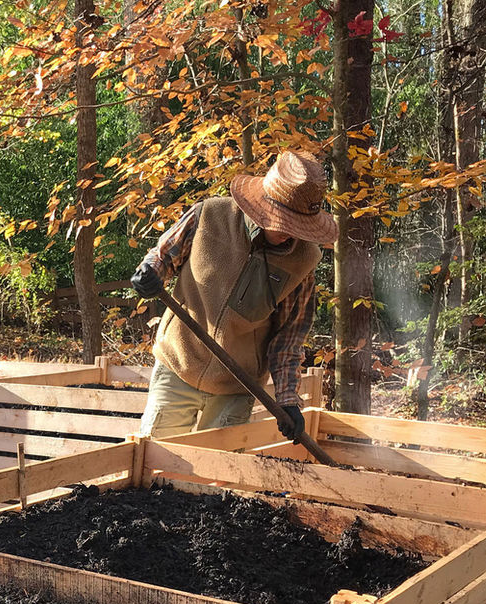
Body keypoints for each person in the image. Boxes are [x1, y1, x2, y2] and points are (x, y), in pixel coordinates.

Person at [131, 149, 337, 441]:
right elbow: (162, 257)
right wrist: (149, 274)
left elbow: (288, 338)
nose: (290, 234)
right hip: (178, 364)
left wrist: (288, 400)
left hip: (237, 385)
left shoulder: (303, 261)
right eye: (283, 223)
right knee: (156, 460)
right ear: (264, 206)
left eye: (298, 227)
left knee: (217, 478)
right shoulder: (210, 215)